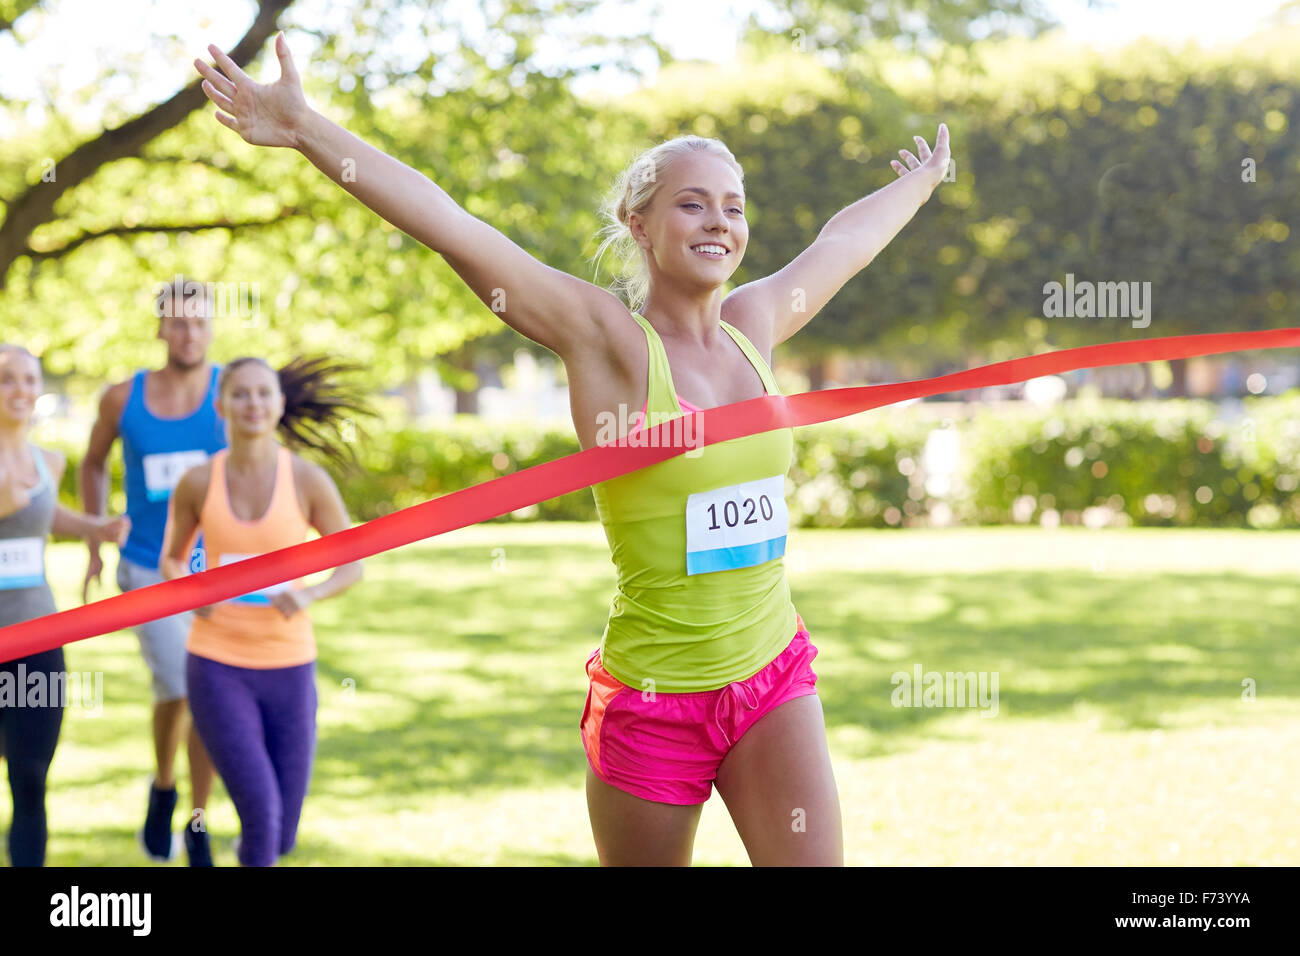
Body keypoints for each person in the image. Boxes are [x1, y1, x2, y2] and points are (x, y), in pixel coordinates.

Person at [195, 33, 949, 865]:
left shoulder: (756, 326)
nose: (720, 222)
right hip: (654, 698)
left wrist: (918, 185)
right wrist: (306, 130)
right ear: (640, 222)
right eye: (693, 203)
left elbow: (843, 243)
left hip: (771, 674)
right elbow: (453, 225)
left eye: (734, 206)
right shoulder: (606, 341)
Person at [159, 355, 365, 866]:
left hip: (290, 668)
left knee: (283, 830)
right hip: (216, 664)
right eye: (241, 393)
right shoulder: (198, 481)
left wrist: (310, 593)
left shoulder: (307, 480)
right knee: (262, 813)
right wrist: (192, 590)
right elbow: (170, 559)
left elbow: (352, 563)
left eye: (263, 393)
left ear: (279, 404)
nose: (253, 403)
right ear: (221, 406)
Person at [80, 277, 225, 865]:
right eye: (178, 321)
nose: (188, 332)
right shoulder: (123, 397)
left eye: (199, 321)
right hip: (146, 565)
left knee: (205, 693)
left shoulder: (231, 393)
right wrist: (95, 534)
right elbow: (92, 463)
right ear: (160, 326)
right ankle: (168, 789)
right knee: (185, 685)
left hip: (219, 570)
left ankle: (188, 812)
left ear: (212, 326)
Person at [0, 344, 130, 866]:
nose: (22, 390)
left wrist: (94, 527)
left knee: (30, 776)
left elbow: (45, 515)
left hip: (37, 636)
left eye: (30, 380)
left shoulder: (47, 460)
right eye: (8, 379)